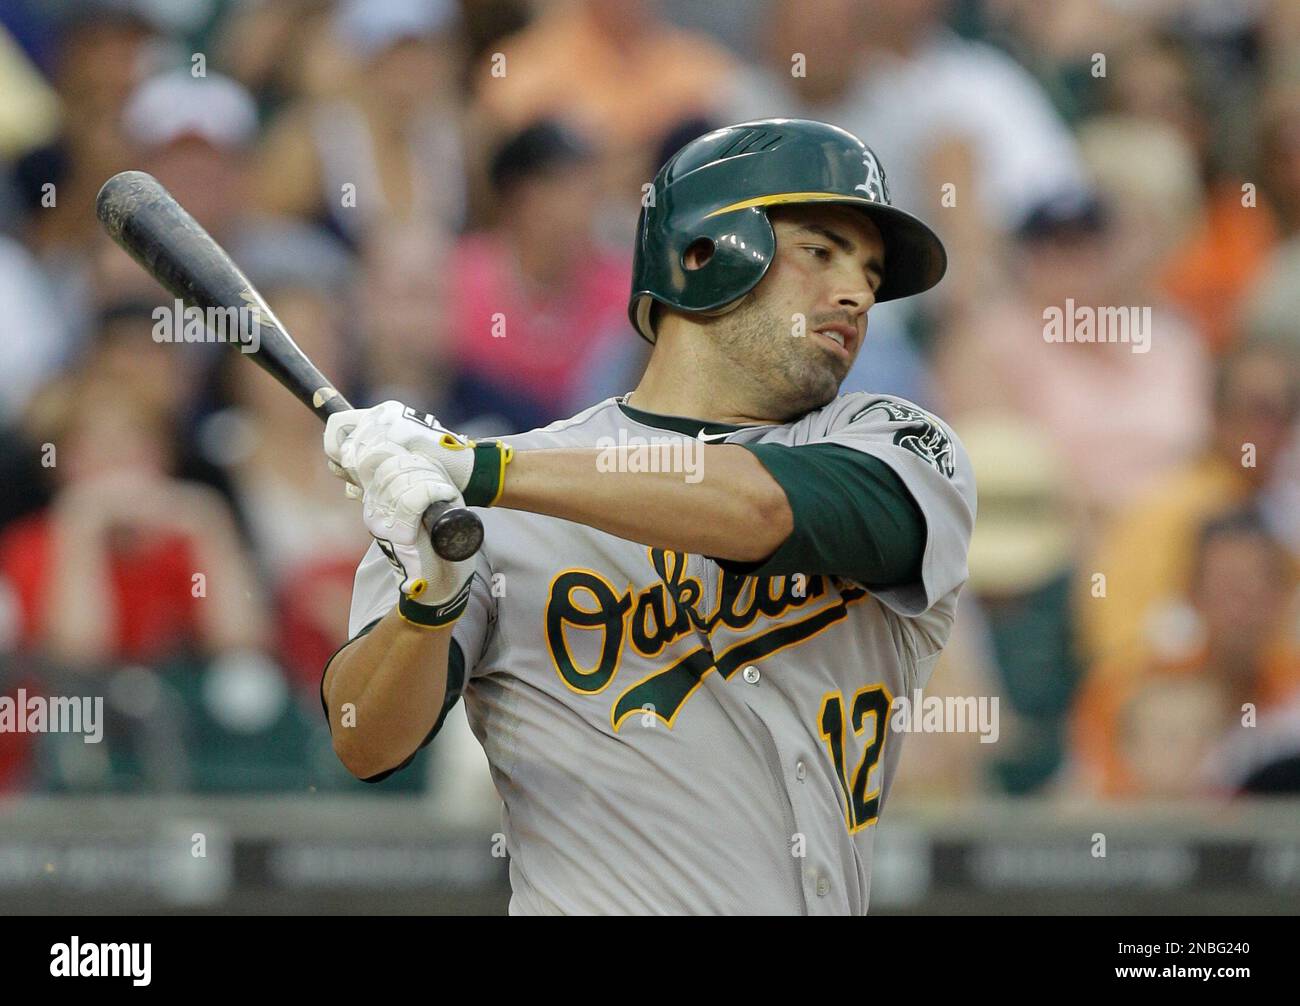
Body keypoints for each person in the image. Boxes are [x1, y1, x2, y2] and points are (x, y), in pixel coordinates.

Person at [320, 120, 976, 915]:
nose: (858, 292)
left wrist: (484, 468)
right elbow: (364, 738)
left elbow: (762, 506)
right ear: (703, 254)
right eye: (822, 252)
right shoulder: (492, 504)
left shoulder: (899, 443)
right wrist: (432, 600)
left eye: (870, 272)